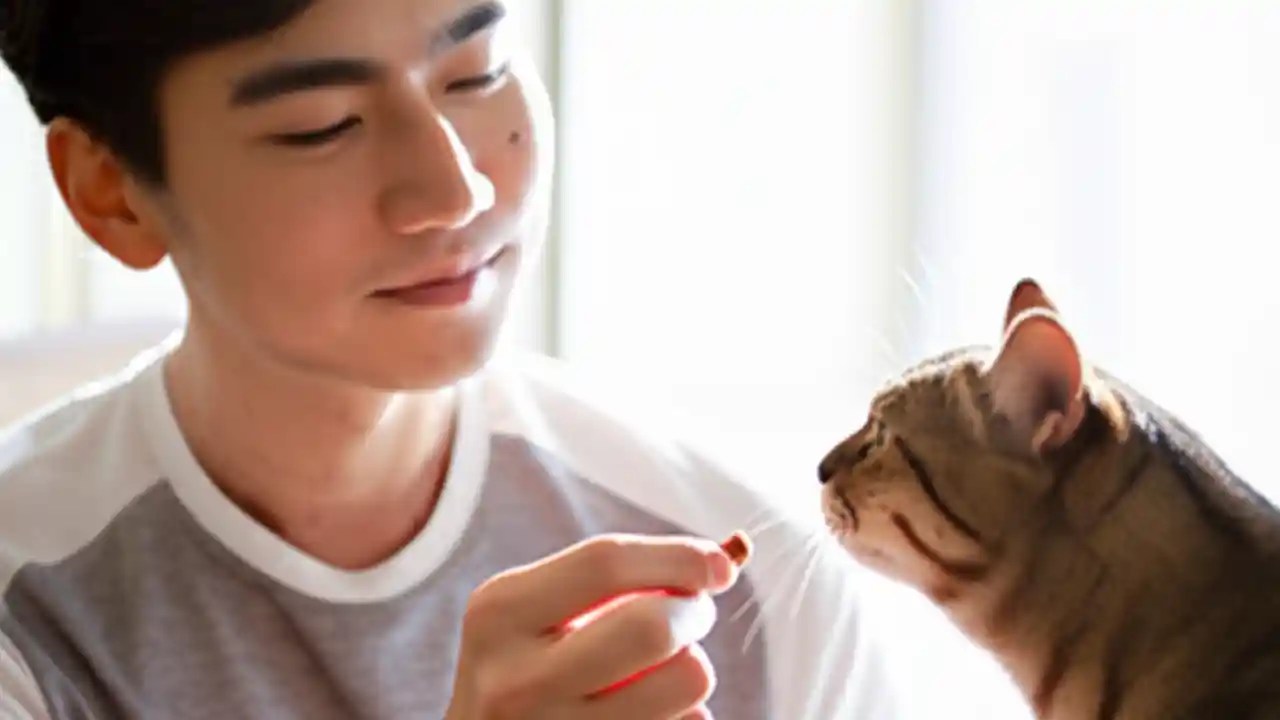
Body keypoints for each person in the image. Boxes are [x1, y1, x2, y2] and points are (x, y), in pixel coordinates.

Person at [0, 0, 900, 717]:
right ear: (110, 192)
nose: (452, 189)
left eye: (479, 72)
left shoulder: (748, 578)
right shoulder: (34, 618)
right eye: (323, 126)